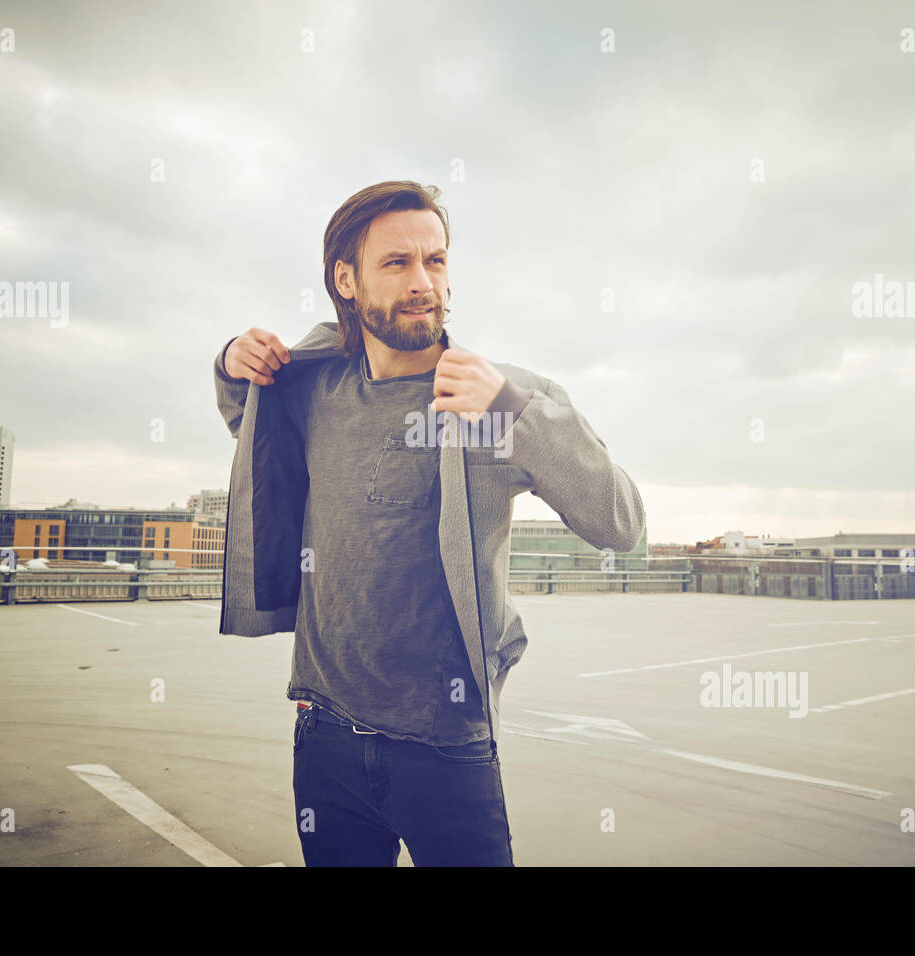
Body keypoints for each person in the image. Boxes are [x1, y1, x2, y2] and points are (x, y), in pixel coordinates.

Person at [213, 180, 645, 866]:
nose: (423, 283)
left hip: (449, 749)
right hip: (324, 739)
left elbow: (620, 523)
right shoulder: (319, 389)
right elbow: (250, 422)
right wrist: (233, 359)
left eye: (435, 261)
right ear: (345, 279)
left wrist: (513, 413)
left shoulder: (498, 396)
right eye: (397, 263)